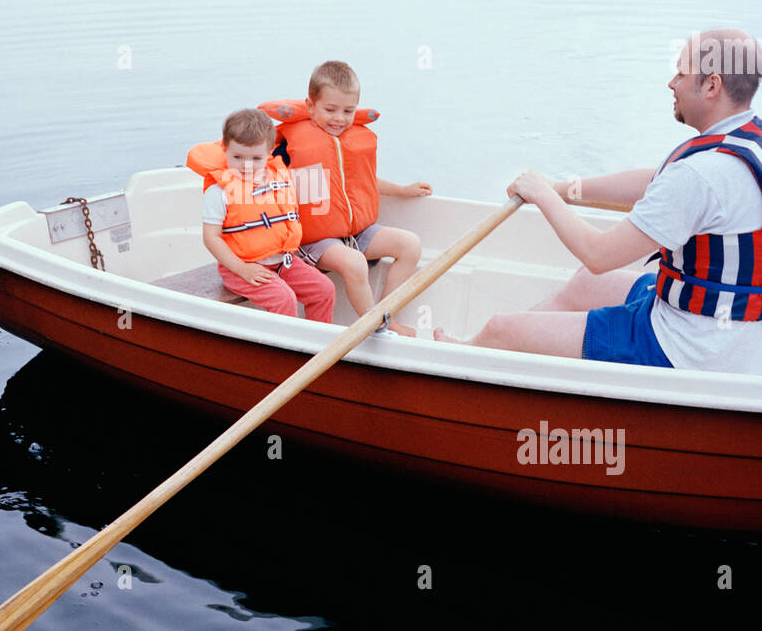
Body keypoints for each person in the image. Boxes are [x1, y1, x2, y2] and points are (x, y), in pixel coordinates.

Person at [432, 28, 762, 373]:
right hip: (730, 332)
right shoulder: (744, 139)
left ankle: (461, 362)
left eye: (681, 73)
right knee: (588, 285)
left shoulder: (700, 174)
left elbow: (599, 255)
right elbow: (655, 181)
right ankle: (503, 351)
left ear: (711, 86)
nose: (671, 83)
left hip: (687, 346)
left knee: (501, 327)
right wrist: (561, 188)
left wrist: (542, 195)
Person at [260, 61, 431, 337]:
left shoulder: (352, 139)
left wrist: (402, 191)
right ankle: (374, 327)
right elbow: (266, 186)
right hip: (316, 241)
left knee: (410, 245)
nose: (339, 118)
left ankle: (389, 315)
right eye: (330, 110)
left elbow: (364, 181)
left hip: (357, 233)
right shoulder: (290, 147)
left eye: (348, 111)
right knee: (355, 263)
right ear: (311, 105)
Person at [187, 107, 336, 322]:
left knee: (324, 289)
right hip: (240, 268)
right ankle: (286, 352)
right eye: (238, 157)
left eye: (256, 158)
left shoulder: (277, 178)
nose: (247, 166)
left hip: (284, 262)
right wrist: (242, 268)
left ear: (269, 154)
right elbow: (211, 237)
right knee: (283, 298)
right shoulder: (218, 191)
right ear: (225, 149)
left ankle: (320, 346)